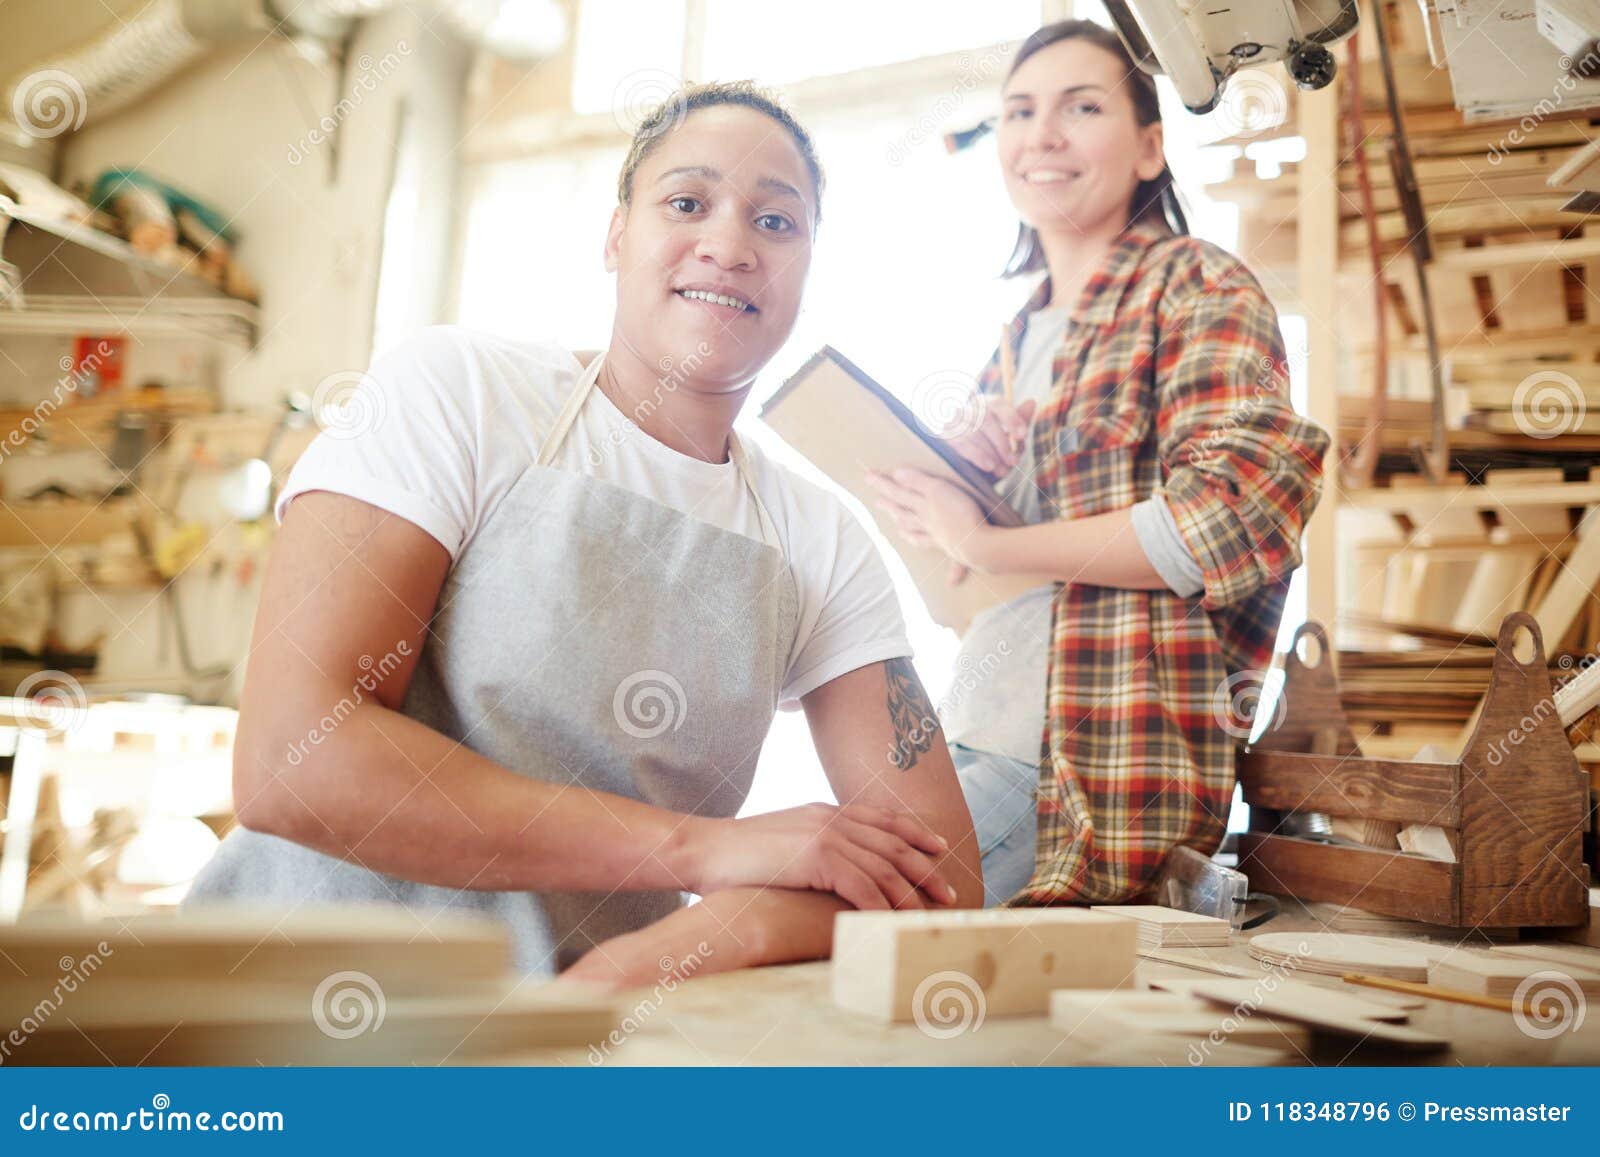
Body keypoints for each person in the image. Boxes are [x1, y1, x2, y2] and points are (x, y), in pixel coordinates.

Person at [187, 81, 982, 985]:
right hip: (282, 1006)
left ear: (808, 265)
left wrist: (660, 955)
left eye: (777, 222)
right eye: (687, 203)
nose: (728, 245)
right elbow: (295, 757)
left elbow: (941, 875)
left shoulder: (818, 537)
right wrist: (700, 850)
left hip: (562, 1039)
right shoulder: (461, 392)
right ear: (616, 237)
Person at [867, 21, 1330, 909]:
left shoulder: (1198, 288)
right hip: (968, 731)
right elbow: (961, 597)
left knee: (819, 920)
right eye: (1019, 112)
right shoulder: (1016, 342)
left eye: (1081, 107)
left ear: (1152, 148)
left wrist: (997, 540)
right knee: (809, 913)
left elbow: (1223, 522)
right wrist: (960, 490)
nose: (1042, 134)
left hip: (1084, 772)